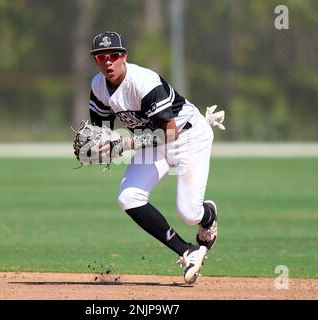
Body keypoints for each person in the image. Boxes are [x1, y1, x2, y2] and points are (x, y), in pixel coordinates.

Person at [87, 31, 224, 284]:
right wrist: (100, 146)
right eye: (101, 56)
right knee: (128, 197)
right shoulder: (98, 86)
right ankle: (188, 251)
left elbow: (169, 133)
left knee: (189, 213)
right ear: (96, 60)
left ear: (124, 56)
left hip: (187, 137)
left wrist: (126, 142)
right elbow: (102, 130)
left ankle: (208, 216)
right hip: (152, 142)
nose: (108, 61)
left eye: (114, 55)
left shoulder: (144, 82)